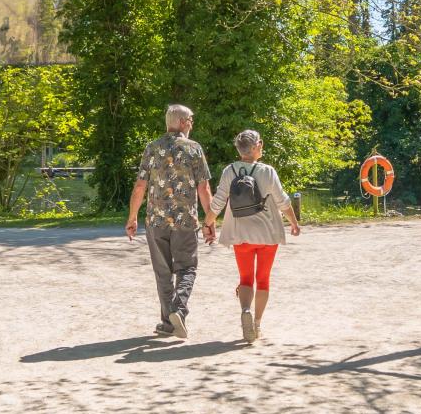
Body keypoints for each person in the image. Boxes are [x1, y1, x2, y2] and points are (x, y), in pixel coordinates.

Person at [126, 105, 214, 338]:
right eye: (191, 120)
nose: (192, 124)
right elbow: (204, 187)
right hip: (185, 221)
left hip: (156, 221)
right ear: (184, 122)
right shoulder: (194, 149)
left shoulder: (152, 148)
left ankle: (167, 322)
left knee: (163, 272)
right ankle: (179, 309)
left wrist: (132, 216)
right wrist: (210, 219)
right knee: (187, 268)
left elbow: (140, 186)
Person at [205, 129, 301, 343]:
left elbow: (218, 202)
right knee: (263, 279)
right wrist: (293, 223)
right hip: (267, 234)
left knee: (246, 279)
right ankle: (257, 324)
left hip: (241, 234)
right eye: (260, 143)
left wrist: (207, 223)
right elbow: (283, 202)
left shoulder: (229, 170)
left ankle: (245, 310)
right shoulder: (268, 171)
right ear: (256, 147)